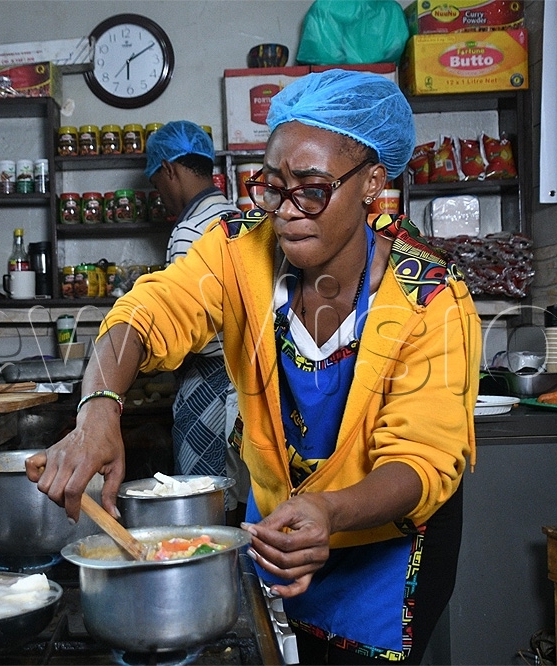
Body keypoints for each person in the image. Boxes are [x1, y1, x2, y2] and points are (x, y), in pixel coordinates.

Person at [28, 70, 481, 664]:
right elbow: (146, 312)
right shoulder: (238, 252)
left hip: (385, 546)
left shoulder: (431, 300)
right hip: (284, 535)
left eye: (312, 188)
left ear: (373, 183)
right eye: (273, 186)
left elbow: (422, 458)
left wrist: (331, 510)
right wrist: (98, 410)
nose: (287, 210)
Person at [143, 120, 246, 517]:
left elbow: (184, 327)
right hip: (242, 384)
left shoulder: (188, 231)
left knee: (199, 506)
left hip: (207, 384)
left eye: (157, 186)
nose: (162, 198)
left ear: (169, 170)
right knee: (233, 502)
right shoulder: (236, 220)